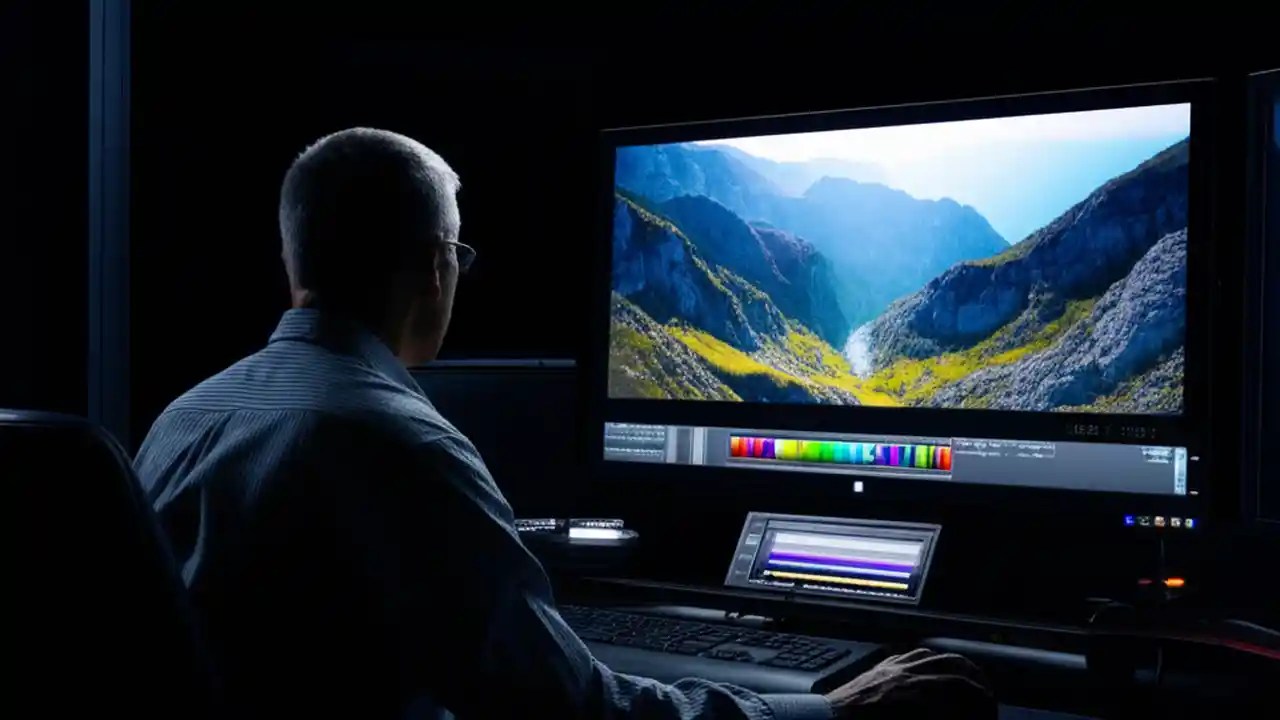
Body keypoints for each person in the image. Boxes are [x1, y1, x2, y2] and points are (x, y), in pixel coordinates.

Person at [134, 127, 995, 720]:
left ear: (295, 261)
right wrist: (828, 710)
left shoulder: (180, 419)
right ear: (437, 268)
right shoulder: (399, 442)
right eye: (458, 255)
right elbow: (570, 708)